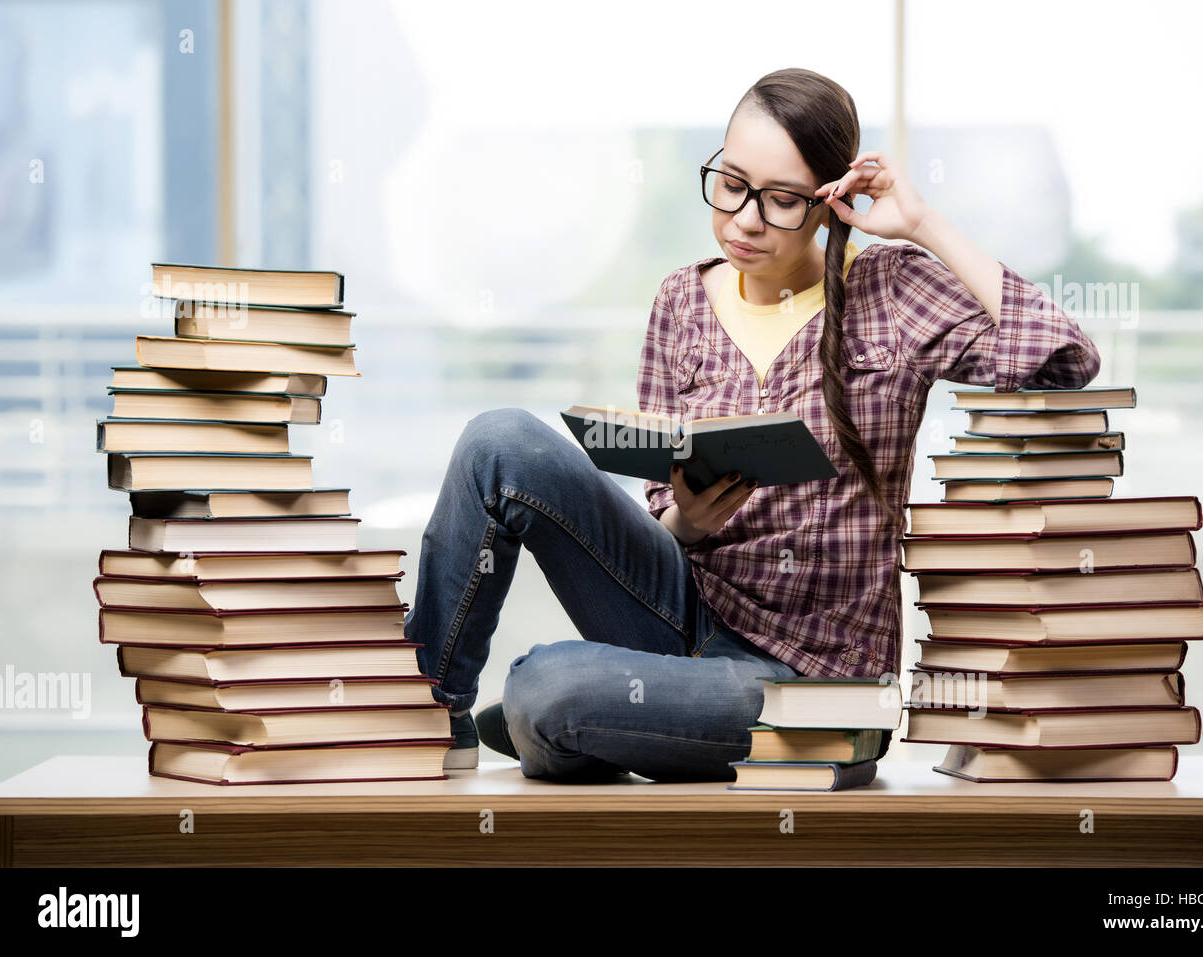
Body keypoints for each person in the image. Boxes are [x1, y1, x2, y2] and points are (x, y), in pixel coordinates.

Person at [401, 67, 1101, 781]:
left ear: (831, 201)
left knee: (543, 689)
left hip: (810, 688)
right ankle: (438, 713)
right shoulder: (681, 299)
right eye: (732, 184)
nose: (744, 219)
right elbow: (659, 518)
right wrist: (689, 524)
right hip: (686, 619)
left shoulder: (889, 290)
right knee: (499, 441)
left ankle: (588, 719)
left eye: (782, 201)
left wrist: (922, 223)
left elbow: (1064, 355)